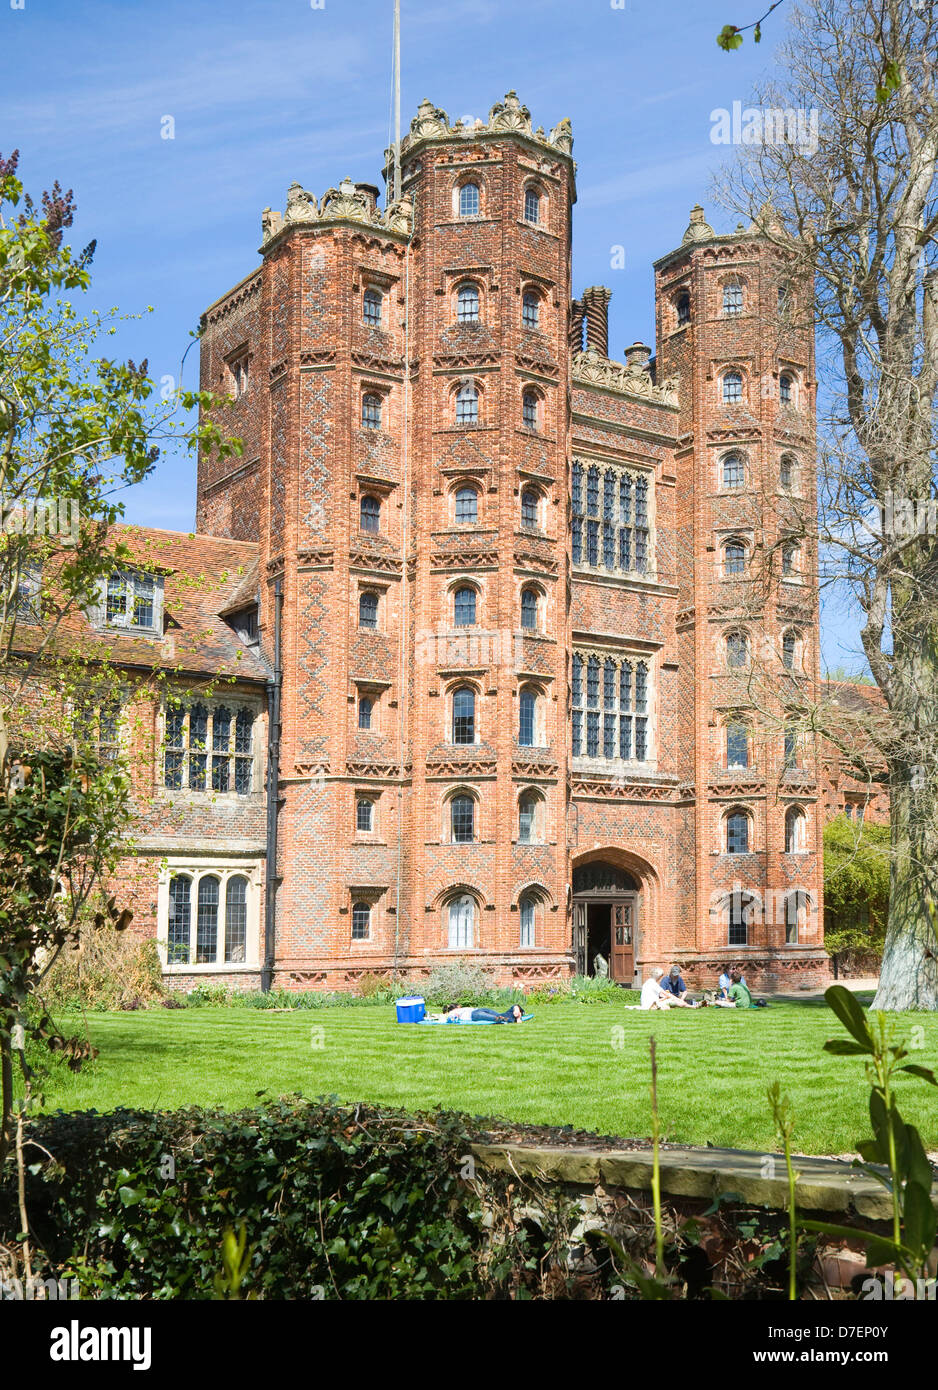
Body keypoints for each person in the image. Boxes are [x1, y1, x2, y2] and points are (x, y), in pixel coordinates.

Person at [430, 1003, 524, 1023]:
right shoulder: (463, 1008)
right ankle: (515, 1008)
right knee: (499, 1015)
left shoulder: (453, 1012)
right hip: (480, 1009)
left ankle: (503, 1019)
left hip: (474, 1015)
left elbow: (453, 1017)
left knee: (495, 1018)